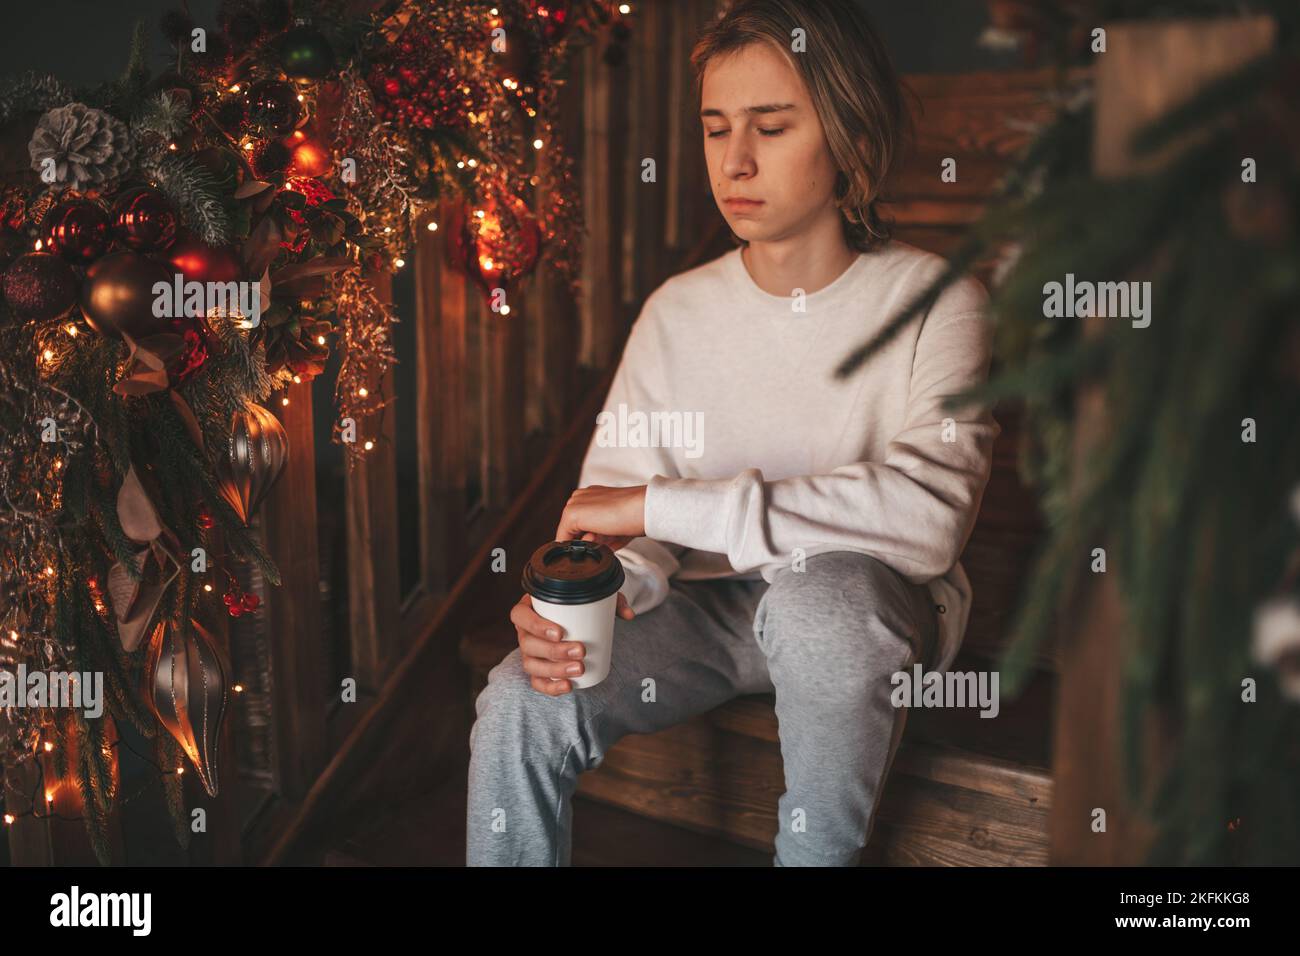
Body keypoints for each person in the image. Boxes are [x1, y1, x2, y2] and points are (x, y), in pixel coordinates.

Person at [467, 0, 998, 866]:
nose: (736, 161)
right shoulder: (678, 311)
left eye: (772, 127)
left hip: (864, 612)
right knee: (519, 697)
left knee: (816, 602)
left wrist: (660, 504)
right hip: (705, 613)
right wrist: (590, 605)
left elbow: (927, 519)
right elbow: (630, 539)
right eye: (716, 129)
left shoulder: (939, 301)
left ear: (848, 135)